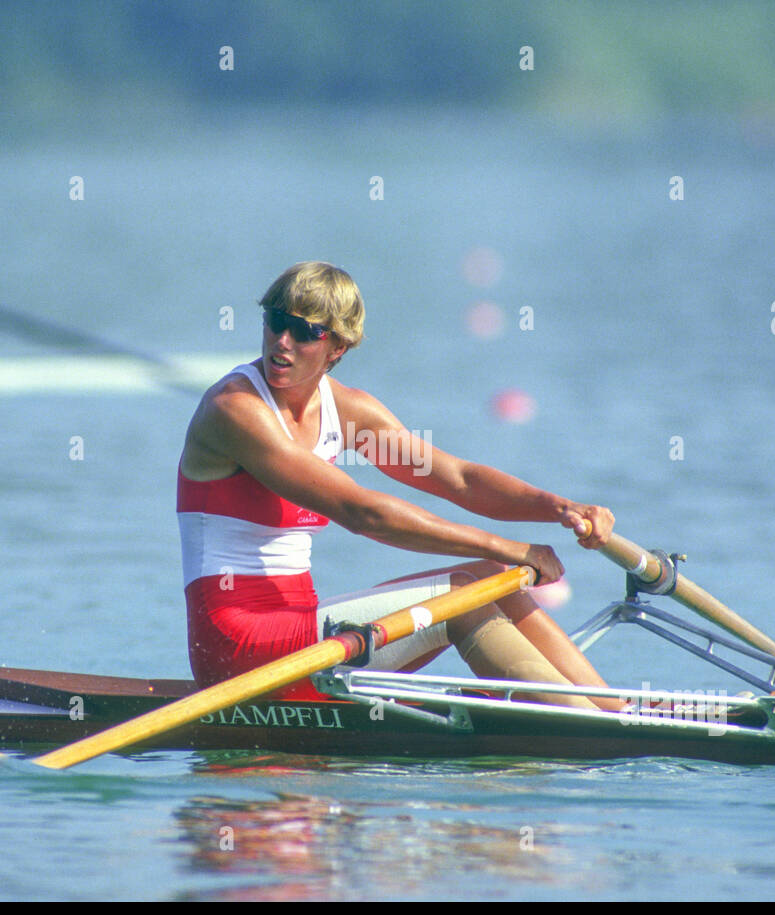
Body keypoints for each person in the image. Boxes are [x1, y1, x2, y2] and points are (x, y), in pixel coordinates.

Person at [177, 261, 622, 710]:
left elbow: (460, 480)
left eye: (304, 330)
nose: (282, 341)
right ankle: (581, 729)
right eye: (276, 321)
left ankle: (613, 713)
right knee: (462, 594)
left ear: (338, 348)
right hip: (236, 650)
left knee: (490, 580)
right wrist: (513, 549)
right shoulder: (235, 410)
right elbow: (364, 514)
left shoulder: (348, 412)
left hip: (307, 634)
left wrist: (562, 508)